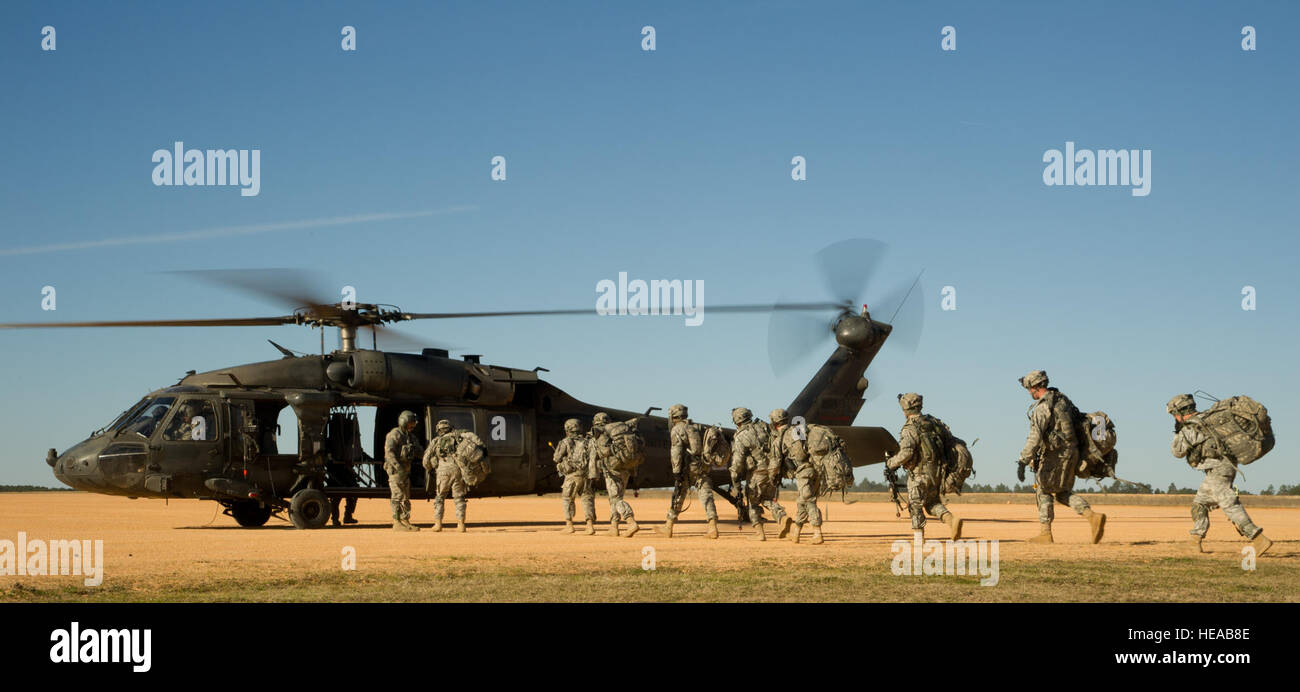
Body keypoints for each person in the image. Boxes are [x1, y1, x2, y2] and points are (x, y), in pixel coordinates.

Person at [1168, 394, 1272, 556]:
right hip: (1222, 466)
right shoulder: (1207, 419)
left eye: (1174, 414)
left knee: (1228, 503)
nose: (1174, 417)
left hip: (1218, 469)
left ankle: (1258, 538)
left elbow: (1177, 452)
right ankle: (1195, 541)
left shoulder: (1191, 427)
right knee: (1199, 504)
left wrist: (1178, 432)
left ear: (1179, 412)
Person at [1017, 370, 1104, 544]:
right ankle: (1091, 516)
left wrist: (1023, 460)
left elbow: (1035, 436)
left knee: (1043, 488)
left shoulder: (1043, 407)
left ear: (1035, 386)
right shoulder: (1062, 400)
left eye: (1029, 389)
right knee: (1061, 492)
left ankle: (1046, 533)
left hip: (1056, 455)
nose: (1029, 393)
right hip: (1073, 453)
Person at [885, 393, 963, 539]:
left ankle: (918, 539)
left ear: (906, 409)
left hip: (919, 473)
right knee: (931, 503)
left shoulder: (910, 428)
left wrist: (891, 463)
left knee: (914, 504)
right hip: (938, 472)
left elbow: (907, 452)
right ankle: (951, 520)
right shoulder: (933, 423)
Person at [654, 403, 718, 539]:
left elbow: (676, 451)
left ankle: (668, 526)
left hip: (687, 467)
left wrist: (677, 472)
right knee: (706, 495)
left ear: (673, 416)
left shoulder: (677, 429)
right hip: (701, 466)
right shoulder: (694, 427)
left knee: (679, 494)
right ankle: (713, 527)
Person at [728, 406, 792, 541]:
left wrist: (734, 476)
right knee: (767, 499)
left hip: (758, 472)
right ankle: (782, 517)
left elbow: (738, 461)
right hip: (774, 468)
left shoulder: (740, 436)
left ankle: (760, 533)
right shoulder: (764, 426)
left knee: (753, 502)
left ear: (737, 421)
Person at [769, 408, 822, 545]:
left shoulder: (778, 441)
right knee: (801, 501)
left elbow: (774, 464)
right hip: (815, 470)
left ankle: (817, 532)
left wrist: (772, 477)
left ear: (774, 424)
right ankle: (796, 533)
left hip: (802, 472)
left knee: (809, 501)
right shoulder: (799, 431)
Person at [590, 412, 639, 538]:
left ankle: (631, 522)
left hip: (612, 469)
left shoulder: (601, 433)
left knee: (616, 499)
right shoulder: (619, 430)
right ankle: (614, 526)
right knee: (616, 497)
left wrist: (594, 473)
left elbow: (603, 451)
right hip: (626, 468)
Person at [553, 418, 597, 534]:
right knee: (587, 499)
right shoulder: (588, 441)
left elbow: (556, 458)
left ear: (567, 429)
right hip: (586, 476)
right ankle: (590, 526)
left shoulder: (565, 442)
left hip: (572, 476)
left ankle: (569, 525)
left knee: (567, 499)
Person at [425, 419, 470, 532]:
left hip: (443, 471)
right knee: (459, 498)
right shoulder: (459, 439)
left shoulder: (436, 441)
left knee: (440, 497)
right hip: (457, 470)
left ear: (439, 430)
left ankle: (438, 524)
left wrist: (430, 468)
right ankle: (461, 525)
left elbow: (425, 460)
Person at [383, 410, 423, 532]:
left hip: (406, 472)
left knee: (405, 497)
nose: (413, 426)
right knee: (397, 496)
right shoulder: (394, 434)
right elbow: (389, 453)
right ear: (404, 422)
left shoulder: (410, 437)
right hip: (396, 472)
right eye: (411, 424)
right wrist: (398, 468)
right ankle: (396, 522)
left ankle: (405, 521)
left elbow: (419, 451)